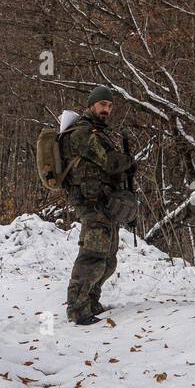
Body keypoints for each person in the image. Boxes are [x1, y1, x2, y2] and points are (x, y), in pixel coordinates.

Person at [60, 85, 137, 325]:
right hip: (90, 203)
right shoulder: (82, 132)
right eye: (102, 104)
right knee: (92, 256)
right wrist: (128, 162)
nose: (106, 109)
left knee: (109, 259)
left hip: (105, 202)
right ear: (92, 105)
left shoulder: (99, 132)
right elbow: (110, 162)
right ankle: (77, 309)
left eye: (110, 105)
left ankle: (92, 300)